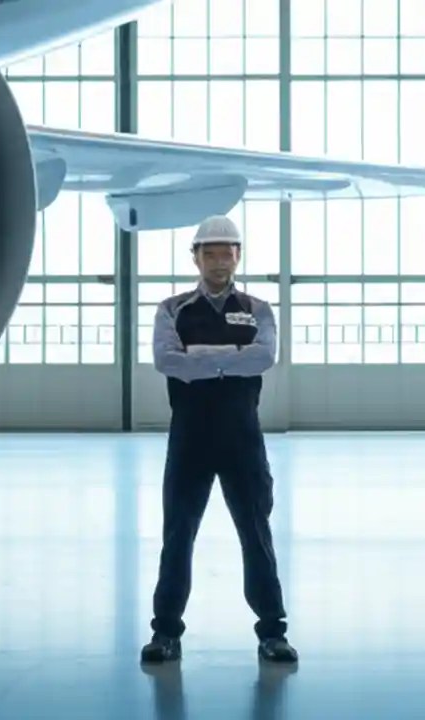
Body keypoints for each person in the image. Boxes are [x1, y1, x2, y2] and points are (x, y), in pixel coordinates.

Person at [140, 215, 298, 665]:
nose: (218, 261)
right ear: (195, 258)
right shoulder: (173, 310)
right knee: (178, 536)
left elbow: (264, 357)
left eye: (226, 252)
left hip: (242, 439)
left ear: (238, 256)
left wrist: (203, 359)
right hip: (189, 439)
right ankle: (165, 633)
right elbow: (168, 362)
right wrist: (231, 359)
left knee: (256, 535)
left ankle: (273, 633)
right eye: (209, 253)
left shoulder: (259, 309)